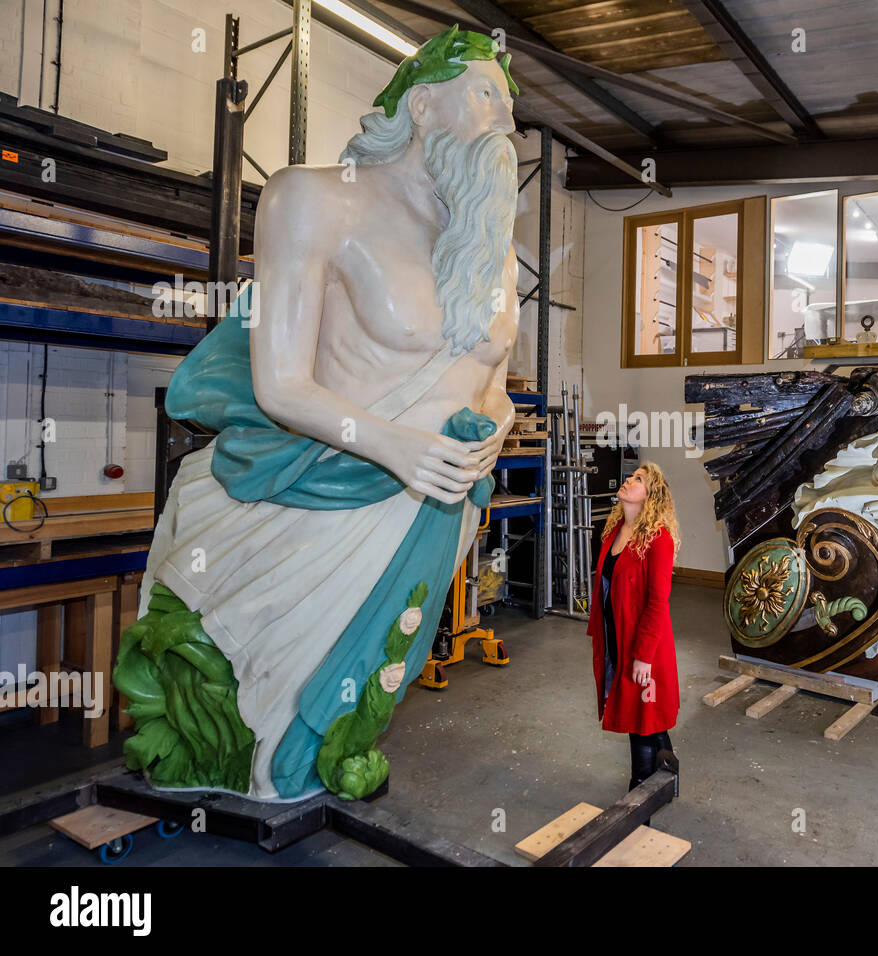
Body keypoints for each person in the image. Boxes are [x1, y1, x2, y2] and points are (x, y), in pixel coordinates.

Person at [116, 27, 521, 800]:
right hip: (318, 489)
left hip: (432, 506)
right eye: (487, 96)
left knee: (377, 656)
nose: (506, 123)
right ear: (424, 104)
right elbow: (281, 385)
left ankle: (333, 751)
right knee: (258, 720)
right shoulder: (314, 197)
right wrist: (397, 447)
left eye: (511, 106)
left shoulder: (488, 246)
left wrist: (495, 423)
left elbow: (489, 384)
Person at [586, 463, 681, 790]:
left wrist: (643, 656)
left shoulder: (659, 539)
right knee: (645, 717)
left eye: (638, 479)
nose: (628, 479)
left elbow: (658, 602)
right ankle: (668, 775)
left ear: (650, 496)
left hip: (645, 649)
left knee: (642, 719)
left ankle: (639, 796)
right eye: (631, 475)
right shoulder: (614, 531)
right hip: (618, 640)